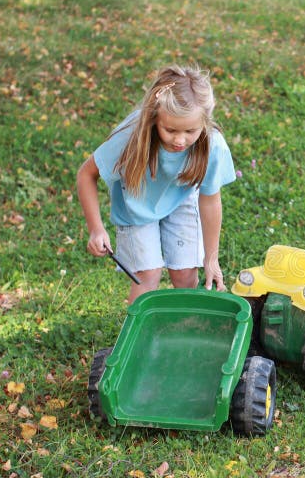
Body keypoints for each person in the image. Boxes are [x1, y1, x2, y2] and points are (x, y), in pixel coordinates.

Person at [77, 64, 236, 304]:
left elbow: (210, 200)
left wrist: (211, 258)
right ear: (154, 118)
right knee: (148, 276)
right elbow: (86, 175)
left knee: (185, 274)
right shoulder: (129, 137)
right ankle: (139, 329)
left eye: (190, 131)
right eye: (170, 130)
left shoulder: (212, 144)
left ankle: (185, 325)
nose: (180, 140)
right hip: (136, 203)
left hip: (180, 197)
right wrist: (96, 229)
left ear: (204, 122)